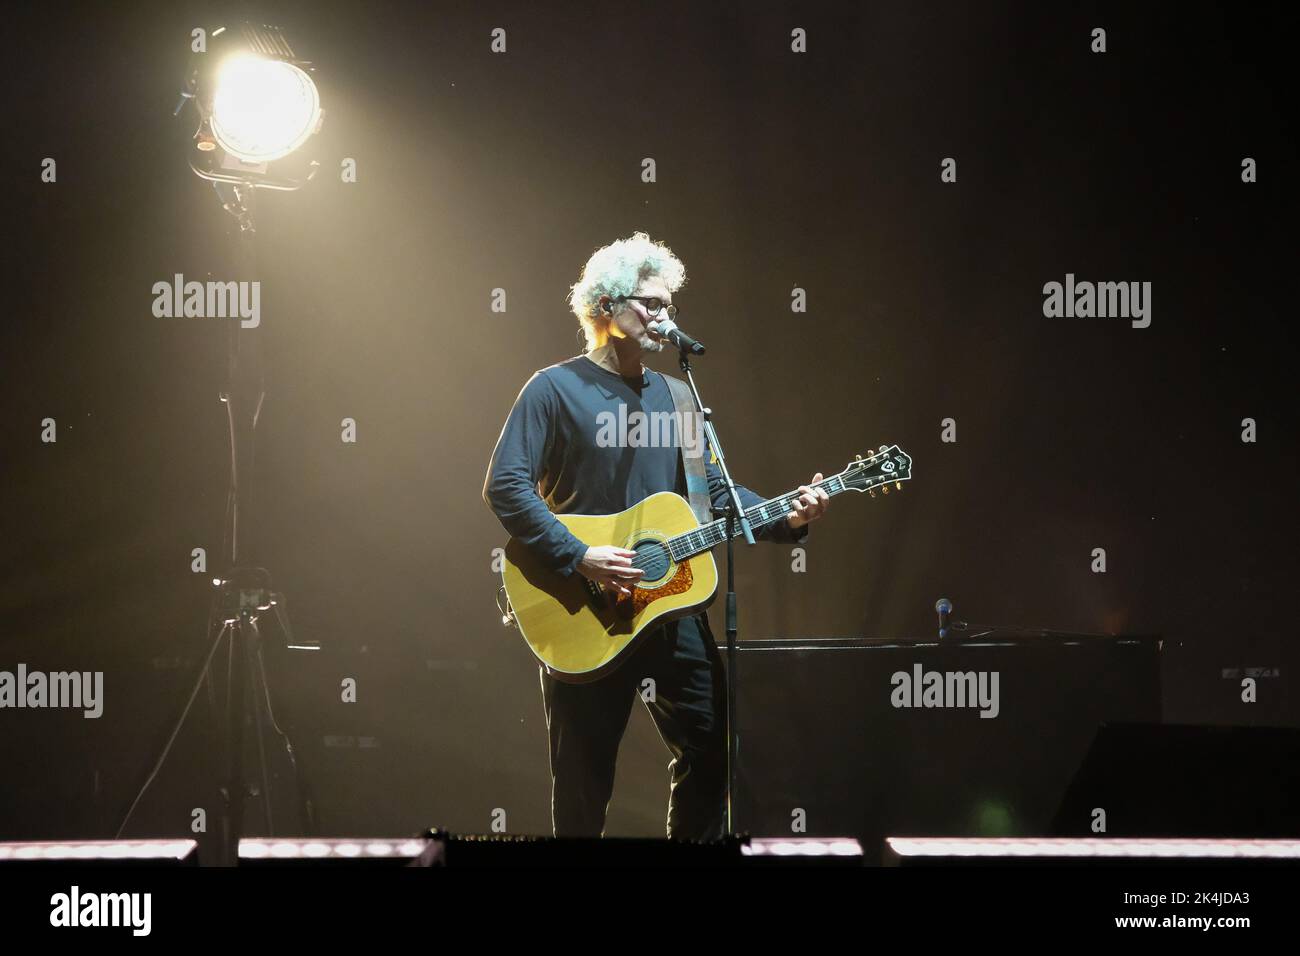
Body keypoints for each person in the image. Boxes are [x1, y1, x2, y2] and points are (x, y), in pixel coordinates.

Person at [483, 231, 829, 839]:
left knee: (712, 748)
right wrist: (580, 555)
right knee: (584, 781)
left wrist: (787, 519)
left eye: (669, 304)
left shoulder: (679, 398)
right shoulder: (553, 389)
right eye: (651, 303)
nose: (664, 316)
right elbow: (505, 486)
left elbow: (717, 500)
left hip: (671, 606)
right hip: (582, 610)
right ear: (607, 305)